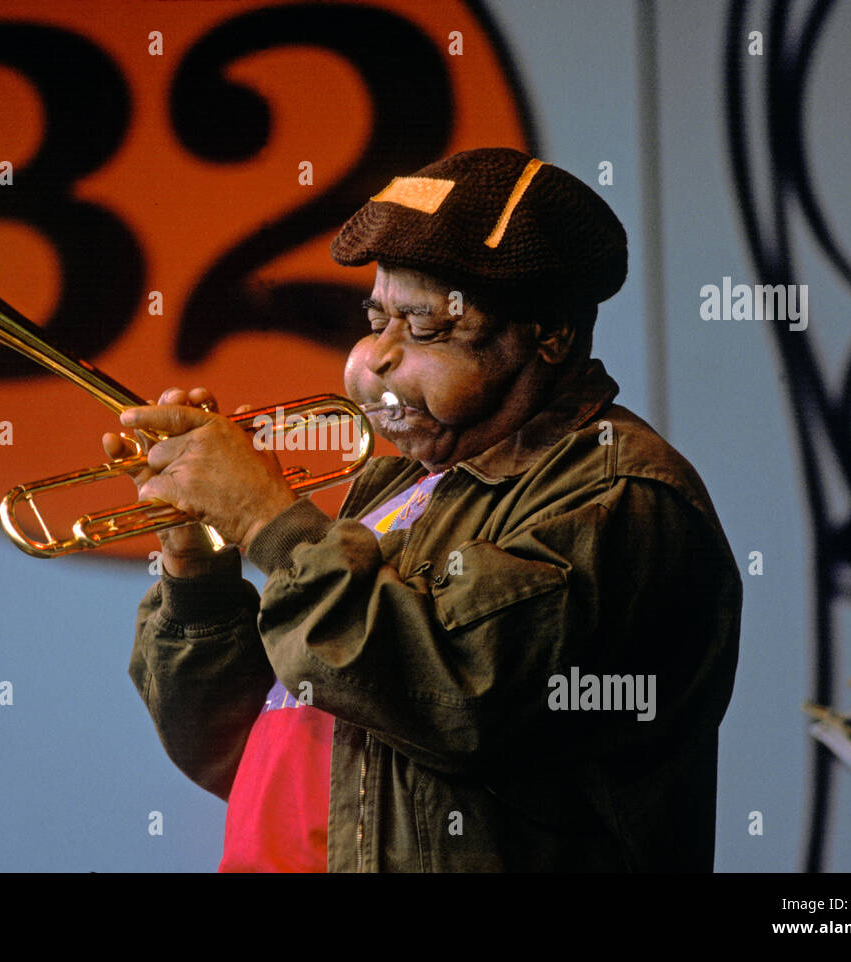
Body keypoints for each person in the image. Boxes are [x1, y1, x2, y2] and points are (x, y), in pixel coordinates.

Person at [108, 148, 742, 872]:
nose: (375, 358)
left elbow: (464, 699)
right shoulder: (390, 490)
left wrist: (265, 521)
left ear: (549, 334)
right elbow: (233, 748)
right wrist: (199, 573)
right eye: (376, 318)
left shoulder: (617, 493)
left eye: (426, 327)